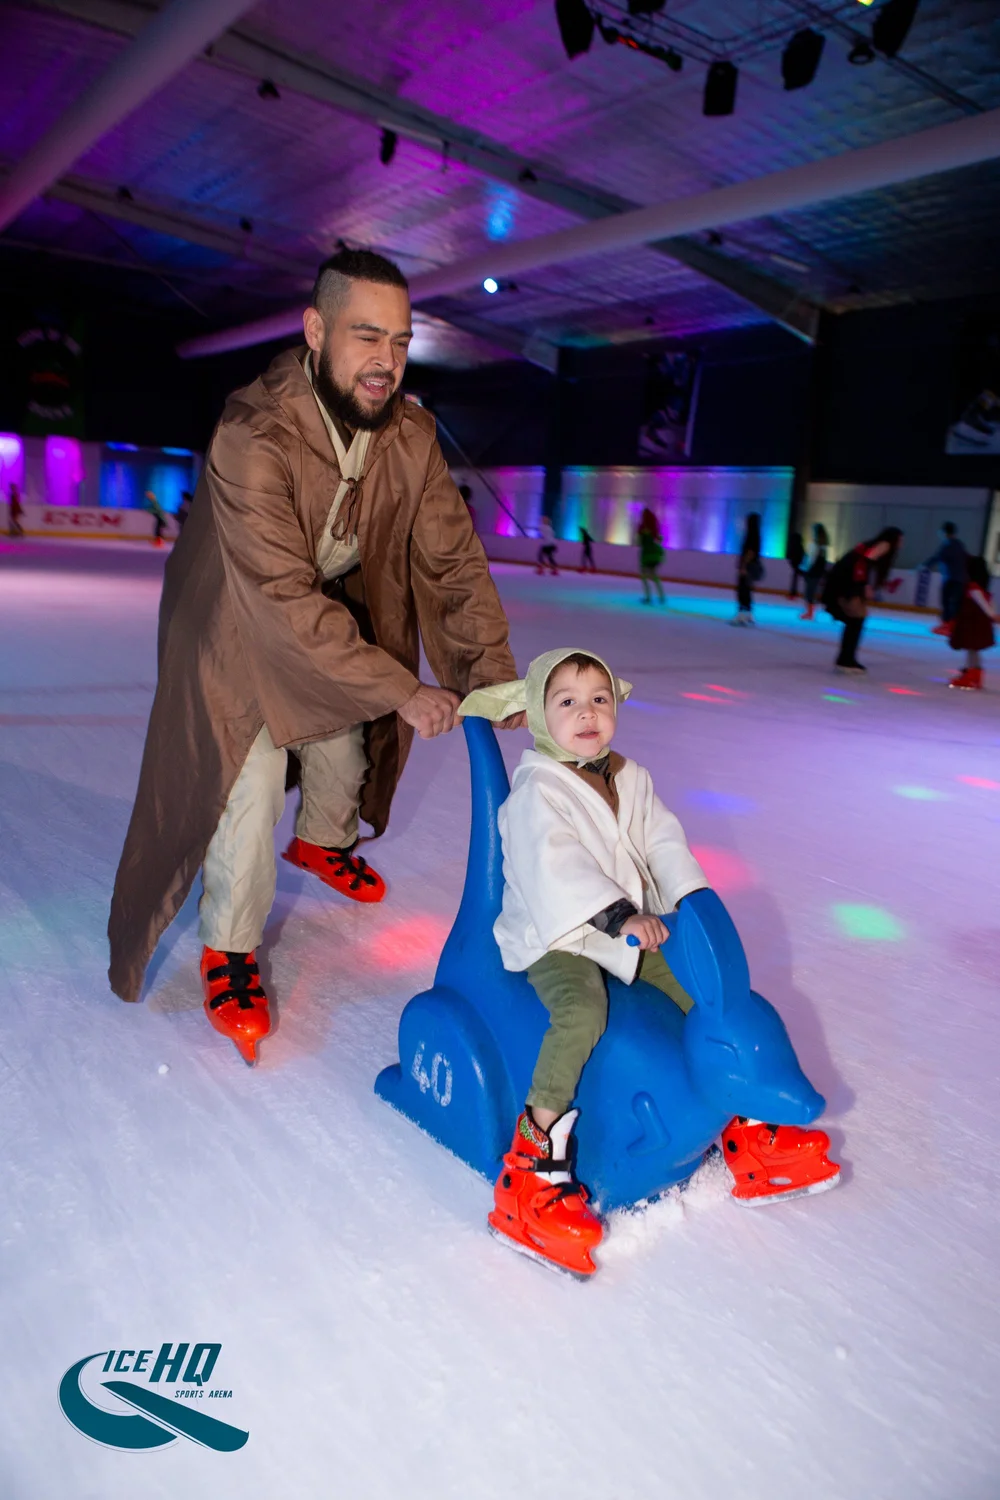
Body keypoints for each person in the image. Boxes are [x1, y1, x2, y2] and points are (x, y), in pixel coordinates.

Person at [109, 248, 518, 1064]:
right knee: (250, 779)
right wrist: (405, 687)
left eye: (400, 342)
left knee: (349, 724)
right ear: (315, 330)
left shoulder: (409, 432)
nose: (386, 363)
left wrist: (497, 685)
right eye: (366, 338)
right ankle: (228, 951)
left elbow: (452, 563)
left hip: (313, 608)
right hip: (230, 615)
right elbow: (282, 606)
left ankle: (323, 841)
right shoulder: (249, 432)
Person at [460, 649, 840, 1276]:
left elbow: (661, 840)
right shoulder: (534, 793)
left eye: (600, 699)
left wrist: (690, 895)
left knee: (703, 992)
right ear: (536, 716)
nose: (588, 713)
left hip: (630, 928)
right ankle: (530, 1162)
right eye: (568, 702)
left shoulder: (629, 777)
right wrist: (617, 917)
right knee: (581, 1013)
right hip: (562, 936)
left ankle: (750, 1127)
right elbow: (556, 868)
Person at [823, 527, 903, 674]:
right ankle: (846, 660)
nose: (901, 544)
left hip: (845, 581)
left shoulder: (876, 545)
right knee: (856, 620)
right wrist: (863, 584)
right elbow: (863, 561)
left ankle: (846, 658)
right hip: (847, 583)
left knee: (856, 620)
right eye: (900, 540)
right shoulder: (885, 545)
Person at [947, 556, 996, 690]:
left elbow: (984, 604)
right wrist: (992, 614)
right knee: (972, 650)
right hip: (976, 623)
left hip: (973, 624)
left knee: (972, 649)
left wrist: (993, 615)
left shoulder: (973, 587)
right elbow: (989, 604)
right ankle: (973, 674)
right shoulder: (980, 588)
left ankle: (972, 675)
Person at [924, 522, 969, 636]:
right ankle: (953, 625)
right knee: (955, 603)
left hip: (951, 579)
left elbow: (938, 557)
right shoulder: (960, 544)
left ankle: (948, 625)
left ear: (944, 532)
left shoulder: (947, 545)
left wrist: (924, 565)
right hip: (960, 579)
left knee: (947, 602)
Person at [732, 512, 762, 625]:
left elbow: (750, 552)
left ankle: (741, 615)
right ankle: (749, 614)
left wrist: (743, 566)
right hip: (752, 567)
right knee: (747, 590)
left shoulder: (750, 535)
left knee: (742, 590)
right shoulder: (758, 536)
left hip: (747, 567)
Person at [800, 522, 829, 621]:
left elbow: (810, 558)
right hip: (818, 571)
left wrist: (804, 568)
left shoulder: (815, 544)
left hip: (811, 570)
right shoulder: (824, 546)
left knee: (809, 592)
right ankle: (810, 612)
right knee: (812, 591)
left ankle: (809, 613)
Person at [636, 506, 665, 605]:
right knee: (654, 576)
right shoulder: (654, 529)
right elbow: (660, 539)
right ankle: (661, 596)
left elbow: (639, 542)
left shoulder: (642, 528)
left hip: (646, 555)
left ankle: (648, 597)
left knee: (644, 576)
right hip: (655, 555)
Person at [786, 531, 805, 599]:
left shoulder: (795, 546)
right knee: (796, 579)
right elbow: (802, 555)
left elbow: (793, 555)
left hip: (797, 565)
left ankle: (793, 594)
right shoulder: (799, 546)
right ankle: (793, 593)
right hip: (798, 565)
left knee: (795, 579)